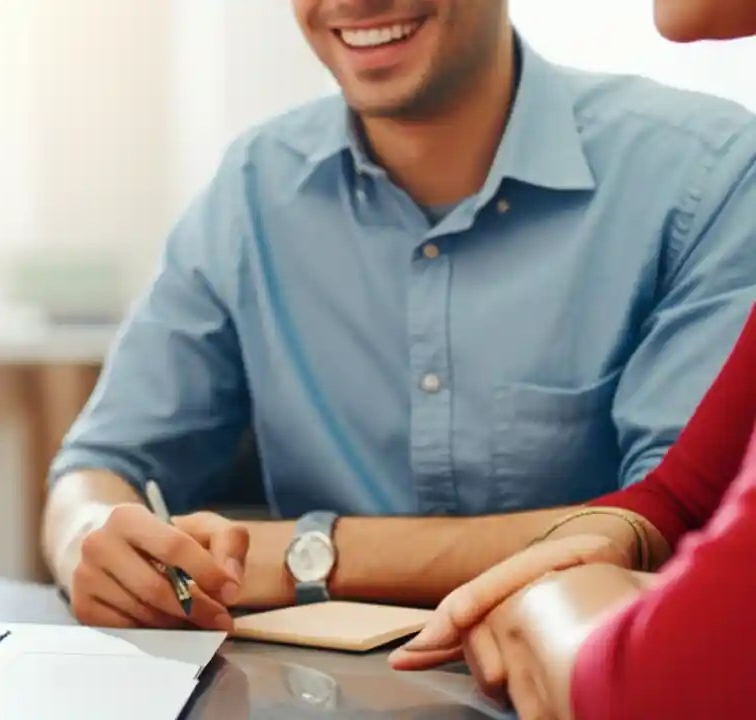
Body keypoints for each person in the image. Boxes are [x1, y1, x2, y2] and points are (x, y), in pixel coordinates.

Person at [43, 0, 756, 632]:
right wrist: (92, 542)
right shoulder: (253, 188)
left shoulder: (705, 176)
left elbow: (672, 526)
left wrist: (305, 554)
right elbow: (103, 464)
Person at [389, 9, 756, 717]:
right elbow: (681, 498)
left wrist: (554, 602)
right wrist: (602, 547)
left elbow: (660, 688)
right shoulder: (250, 179)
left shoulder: (710, 165)